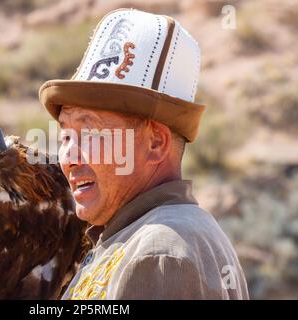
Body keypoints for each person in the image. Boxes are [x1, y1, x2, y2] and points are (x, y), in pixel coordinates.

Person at [39, 8, 249, 300]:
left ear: (156, 143)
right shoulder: (145, 239)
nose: (69, 158)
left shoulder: (158, 254)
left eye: (89, 134)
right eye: (65, 136)